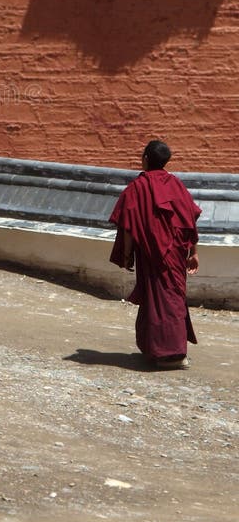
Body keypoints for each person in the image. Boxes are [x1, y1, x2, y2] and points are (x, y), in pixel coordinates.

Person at [109, 140, 200, 370]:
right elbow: (190, 219)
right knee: (173, 300)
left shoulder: (138, 187)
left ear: (146, 159)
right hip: (176, 256)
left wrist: (128, 255)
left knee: (156, 302)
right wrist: (194, 252)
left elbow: (129, 225)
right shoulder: (177, 185)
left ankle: (164, 354)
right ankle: (176, 354)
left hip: (152, 256)